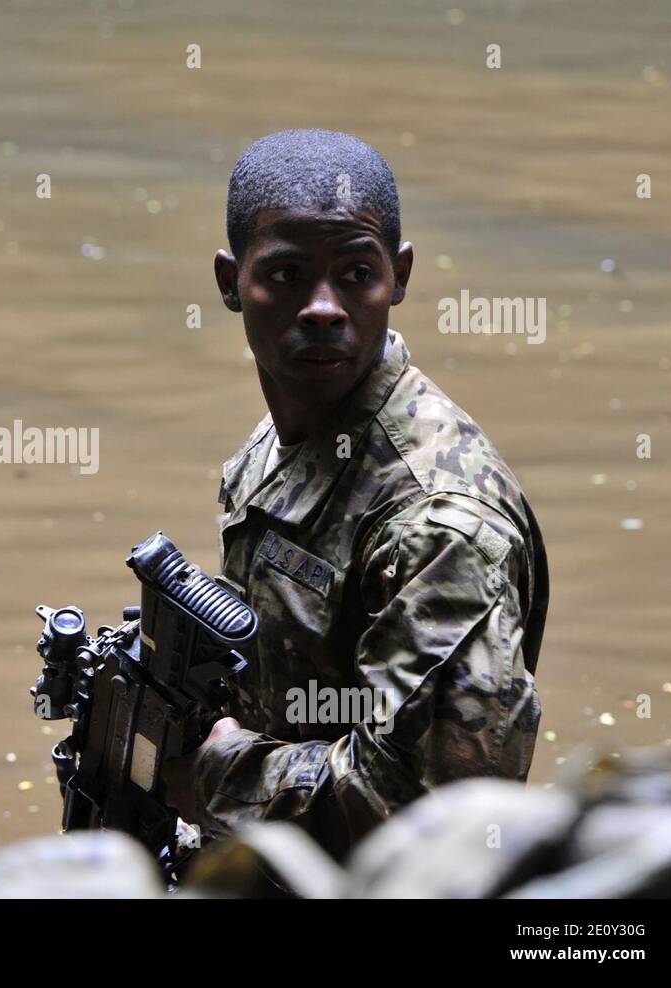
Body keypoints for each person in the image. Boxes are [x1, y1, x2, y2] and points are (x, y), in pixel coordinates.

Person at [162, 129, 550, 861]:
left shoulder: (439, 523)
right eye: (285, 276)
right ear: (227, 282)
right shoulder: (276, 447)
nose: (321, 307)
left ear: (397, 278)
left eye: (354, 273)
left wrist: (213, 772)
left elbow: (437, 818)